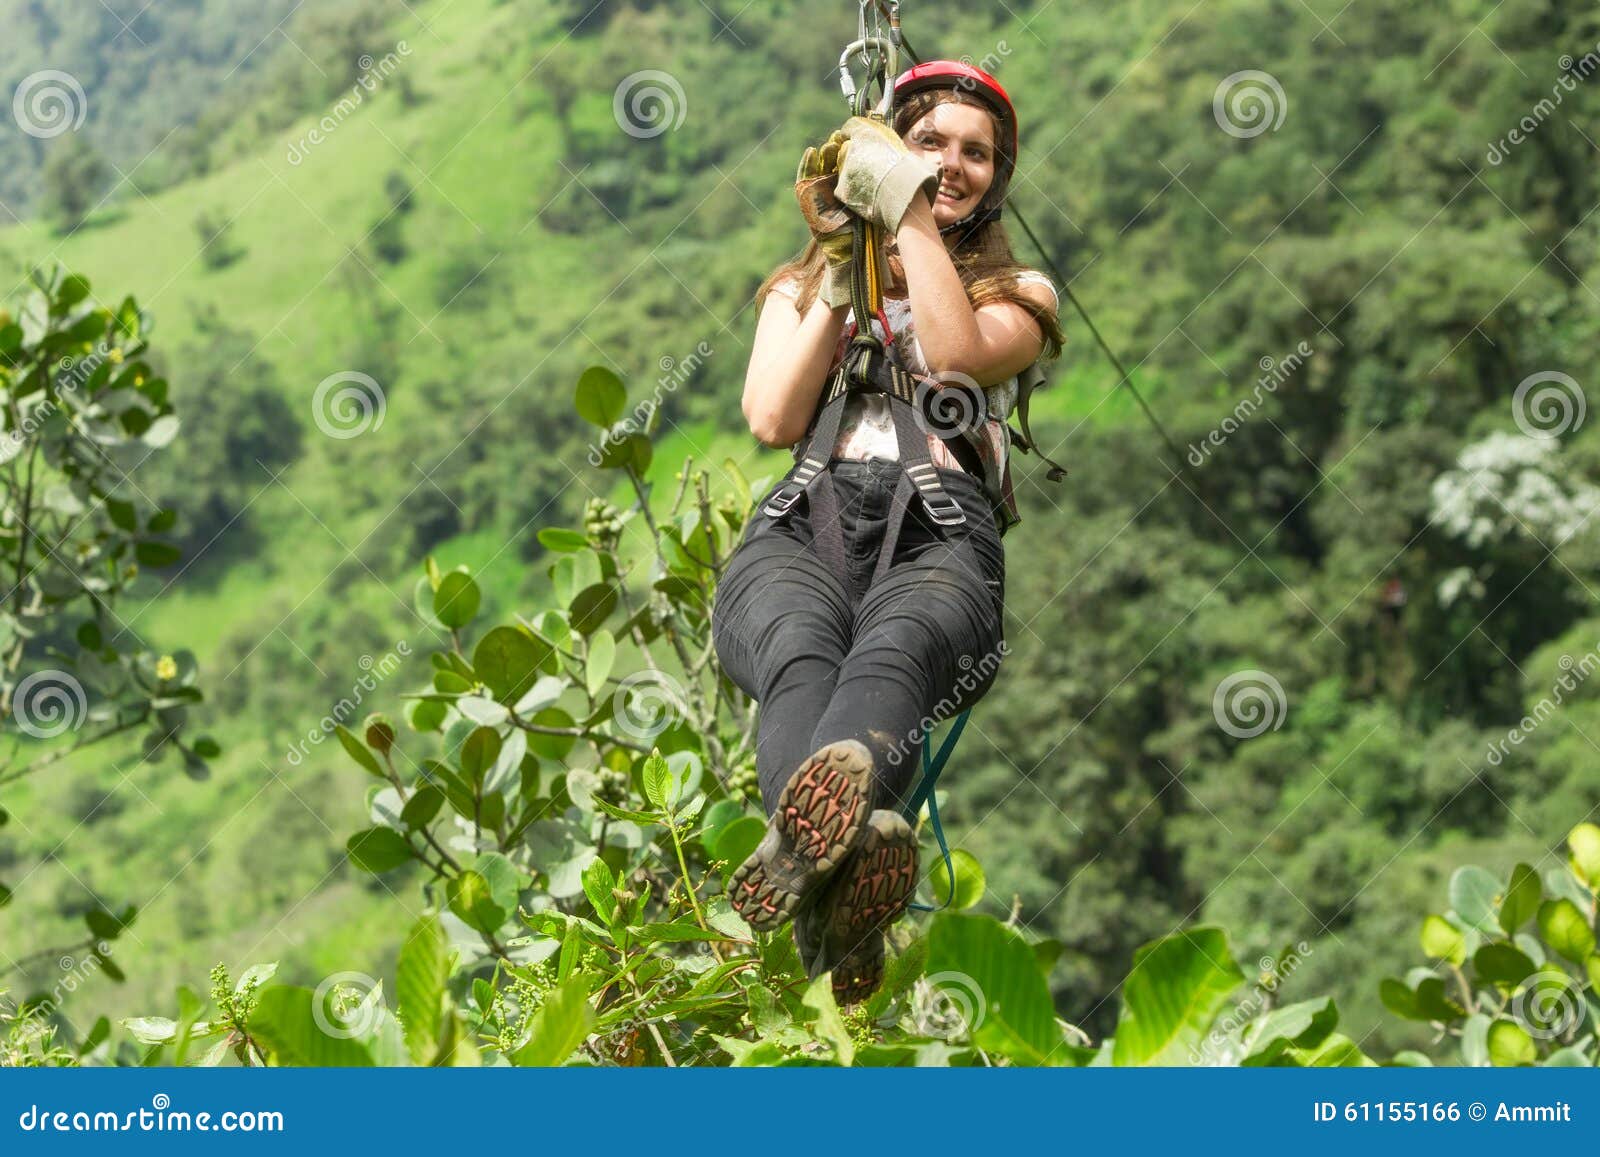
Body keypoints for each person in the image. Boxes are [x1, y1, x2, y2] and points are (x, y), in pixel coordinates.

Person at [710, 61, 1065, 1004]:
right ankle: (847, 884)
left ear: (1000, 176)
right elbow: (774, 417)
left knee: (894, 656)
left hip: (940, 532)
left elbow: (954, 354)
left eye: (977, 153)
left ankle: (819, 882)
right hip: (804, 523)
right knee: (797, 659)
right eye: (931, 144)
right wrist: (839, 268)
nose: (954, 165)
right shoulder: (802, 282)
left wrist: (903, 214)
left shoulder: (1017, 289)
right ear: (890, 146)